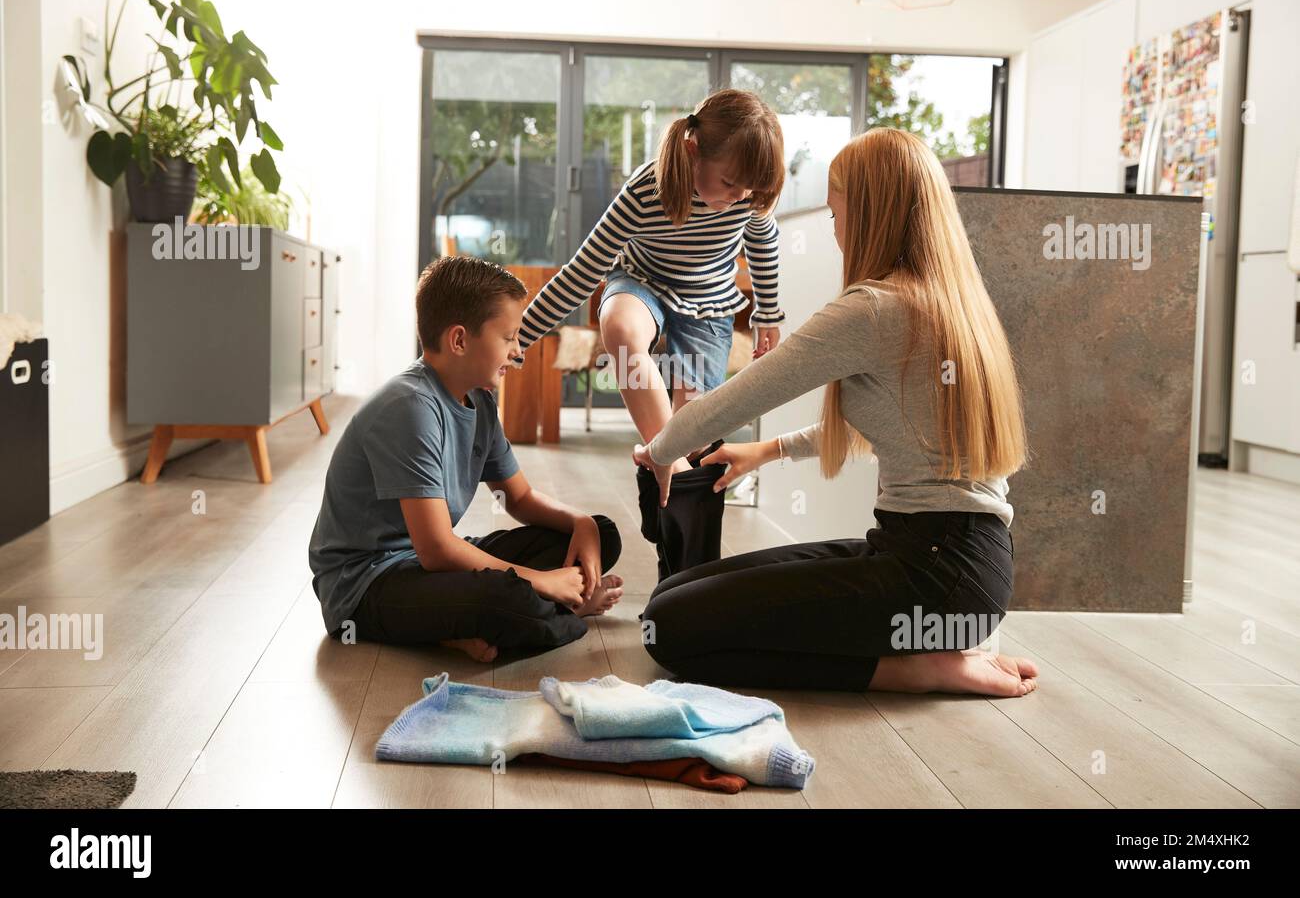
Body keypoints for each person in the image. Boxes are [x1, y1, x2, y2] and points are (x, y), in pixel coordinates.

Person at [633, 127, 1040, 697]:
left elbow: (741, 394)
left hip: (935, 576)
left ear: (870, 212)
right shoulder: (948, 301)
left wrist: (656, 450)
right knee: (671, 598)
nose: (835, 230)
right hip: (952, 565)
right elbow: (887, 428)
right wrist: (766, 450)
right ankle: (942, 645)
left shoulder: (874, 309)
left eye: (835, 212)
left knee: (668, 631)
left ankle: (918, 667)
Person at [309, 256, 623, 663]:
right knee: (503, 598)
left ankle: (481, 626)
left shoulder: (480, 401)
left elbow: (520, 499)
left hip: (428, 567)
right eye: (509, 337)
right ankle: (556, 612)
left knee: (601, 534)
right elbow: (437, 550)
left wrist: (581, 523)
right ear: (459, 340)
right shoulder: (411, 407)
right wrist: (545, 583)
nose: (519, 352)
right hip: (368, 583)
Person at [516, 88, 787, 475]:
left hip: (709, 299)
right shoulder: (648, 190)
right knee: (621, 328)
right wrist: (519, 336)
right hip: (643, 282)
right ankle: (664, 460)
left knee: (697, 432)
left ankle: (676, 475)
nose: (740, 196)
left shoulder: (748, 196)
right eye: (729, 182)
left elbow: (763, 242)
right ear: (693, 150)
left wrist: (768, 312)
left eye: (750, 188)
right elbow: (581, 272)